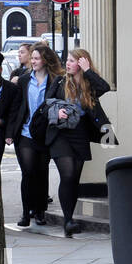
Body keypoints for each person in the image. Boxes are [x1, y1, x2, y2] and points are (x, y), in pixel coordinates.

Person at [45, 48, 111, 237]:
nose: (68, 63)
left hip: (80, 133)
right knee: (67, 175)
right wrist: (56, 113)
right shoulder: (59, 81)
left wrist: (88, 71)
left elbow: (104, 87)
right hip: (60, 133)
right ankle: (68, 220)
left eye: (73, 61)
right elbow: (47, 101)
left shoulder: (88, 83)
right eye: (67, 60)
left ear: (82, 64)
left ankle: (70, 217)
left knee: (74, 178)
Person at [7, 43, 62, 227]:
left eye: (37, 58)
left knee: (41, 172)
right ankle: (25, 213)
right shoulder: (23, 80)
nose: (33, 61)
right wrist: (10, 132)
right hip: (25, 133)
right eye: (32, 58)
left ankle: (39, 212)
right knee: (28, 172)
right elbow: (16, 108)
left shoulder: (55, 80)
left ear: (46, 60)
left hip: (45, 134)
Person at [0, 51, 20, 165]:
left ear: (0, 70)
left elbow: (13, 114)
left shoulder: (11, 89)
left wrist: (9, 134)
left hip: (0, 133)